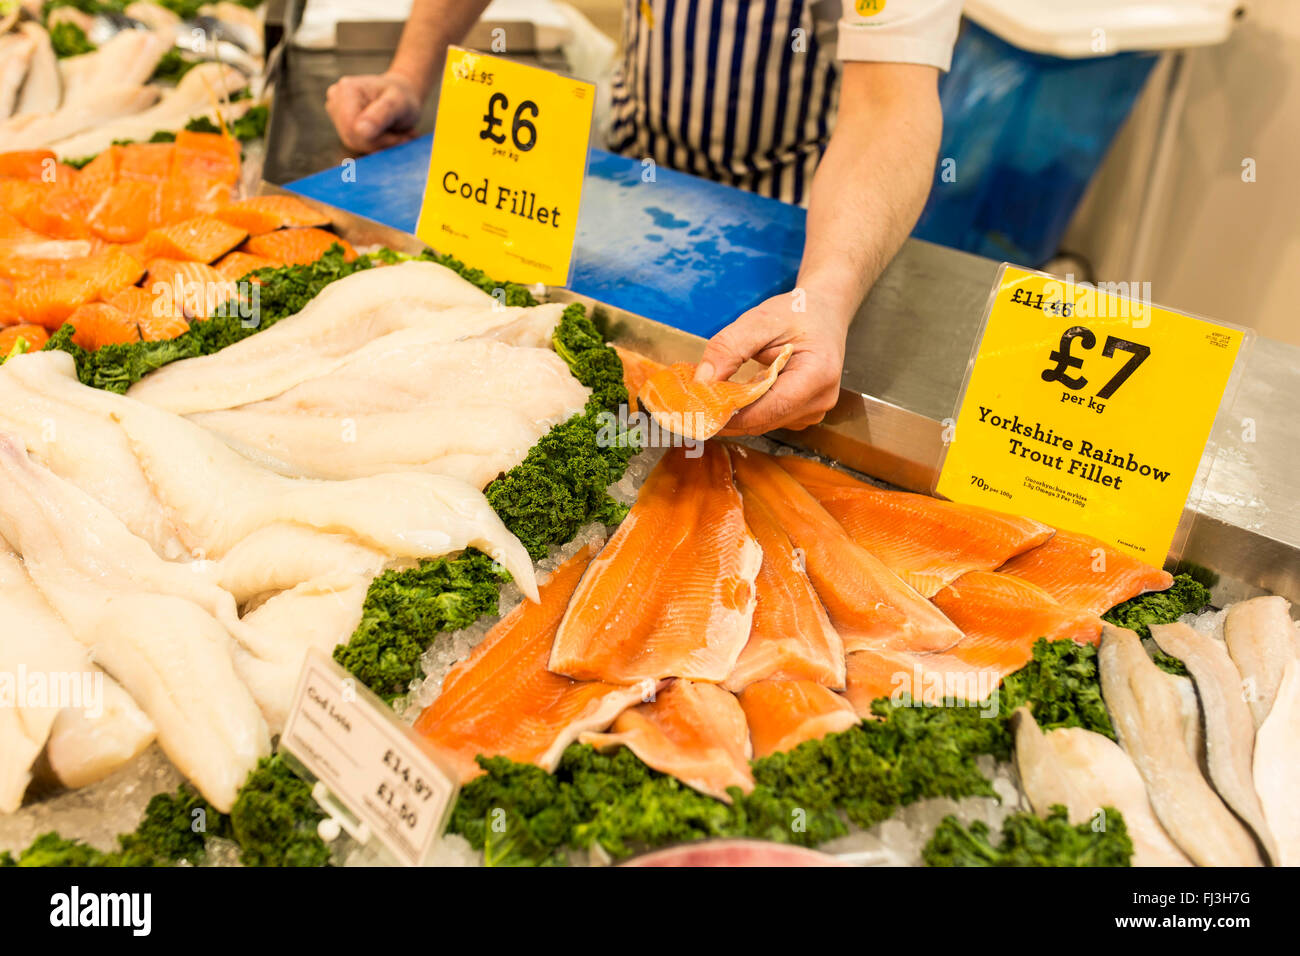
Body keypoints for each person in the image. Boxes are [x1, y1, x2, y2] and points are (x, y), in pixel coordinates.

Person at [327, 0, 961, 435]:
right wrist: (408, 73)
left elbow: (890, 105)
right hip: (630, 177)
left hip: (790, 215)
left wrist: (823, 293)